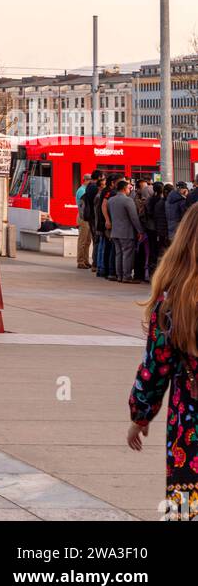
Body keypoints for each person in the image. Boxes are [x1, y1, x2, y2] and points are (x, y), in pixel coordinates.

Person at [127, 204, 198, 521]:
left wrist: (140, 415)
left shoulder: (174, 301)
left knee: (188, 507)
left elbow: (156, 366)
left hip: (190, 424)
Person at [108, 179, 143, 285]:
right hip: (126, 232)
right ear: (124, 188)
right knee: (127, 254)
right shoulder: (128, 201)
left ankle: (119, 275)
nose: (130, 190)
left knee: (118, 254)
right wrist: (140, 231)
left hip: (115, 231)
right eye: (129, 188)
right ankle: (126, 276)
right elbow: (134, 218)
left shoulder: (111, 200)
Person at [76, 173, 93, 269]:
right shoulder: (82, 191)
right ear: (86, 180)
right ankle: (80, 261)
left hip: (87, 217)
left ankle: (86, 260)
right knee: (82, 240)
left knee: (88, 240)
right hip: (83, 217)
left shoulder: (85, 190)